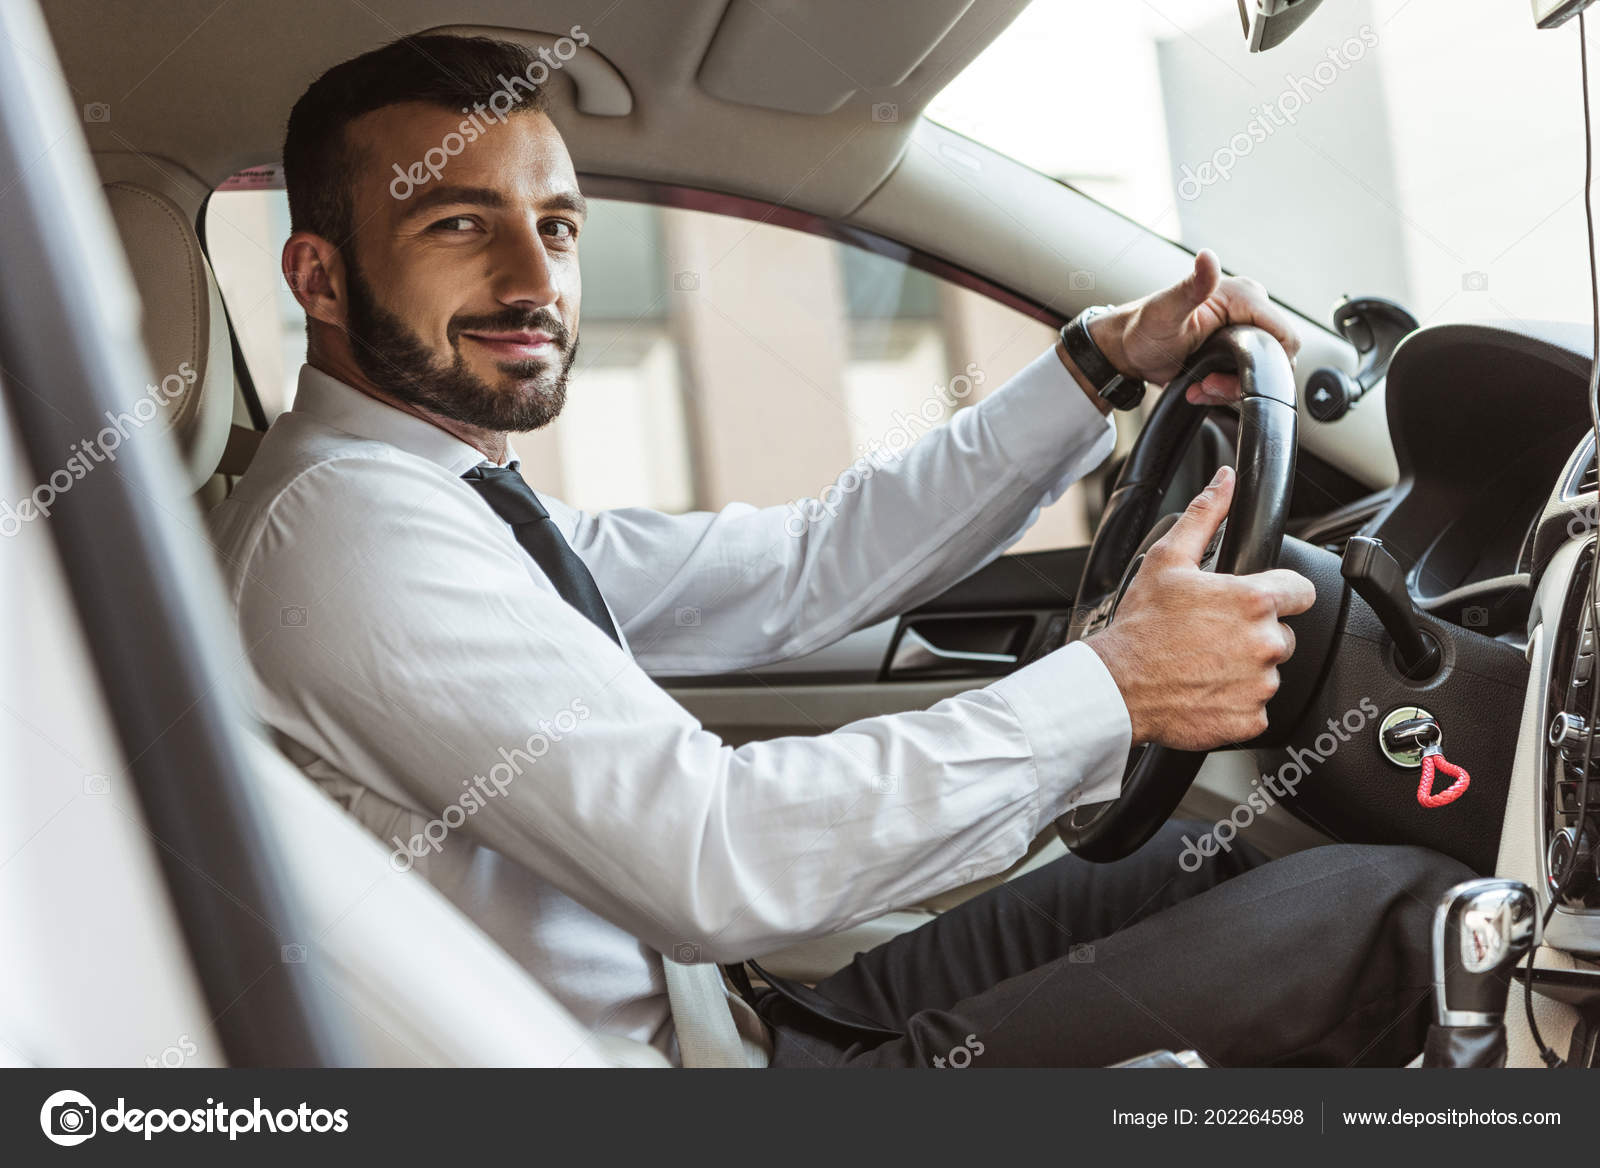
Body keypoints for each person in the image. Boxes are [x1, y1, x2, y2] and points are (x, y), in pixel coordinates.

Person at [209, 35, 1470, 1067]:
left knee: (1204, 862)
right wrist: (1118, 683)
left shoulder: (432, 491)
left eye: (560, 226)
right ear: (319, 278)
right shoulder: (346, 535)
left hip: (747, 1022)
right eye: (459, 227)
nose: (535, 275)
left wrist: (1091, 364)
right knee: (1394, 924)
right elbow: (715, 857)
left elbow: (805, 566)